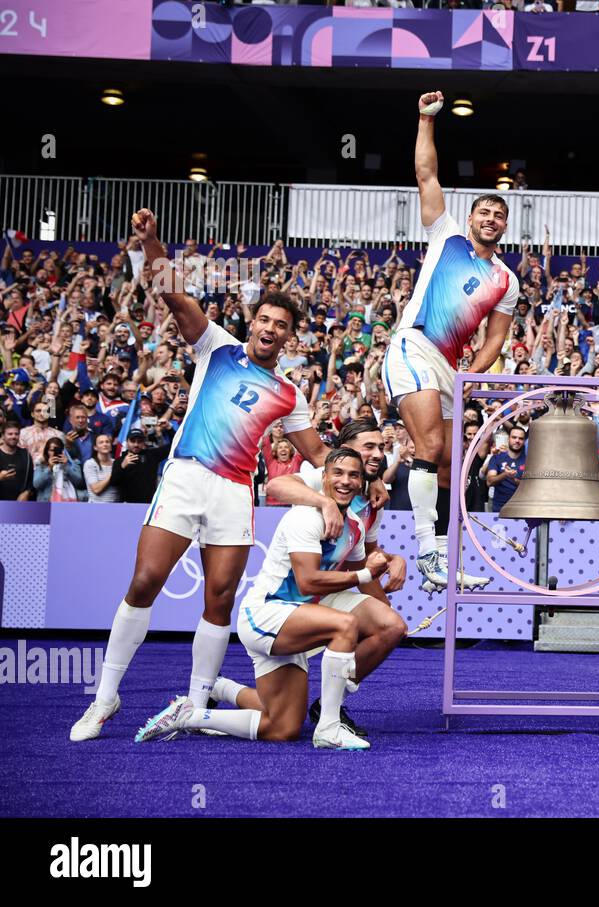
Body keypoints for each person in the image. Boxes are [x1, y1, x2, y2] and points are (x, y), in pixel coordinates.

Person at [70, 209, 330, 743]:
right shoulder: (217, 347)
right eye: (265, 320)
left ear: (289, 337)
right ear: (252, 322)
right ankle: (103, 700)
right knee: (144, 582)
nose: (270, 329)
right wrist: (151, 241)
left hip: (236, 491)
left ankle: (193, 703)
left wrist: (354, 474)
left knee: (219, 598)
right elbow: (175, 296)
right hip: (187, 477)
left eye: (281, 326)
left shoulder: (289, 393)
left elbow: (319, 455)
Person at [134, 449, 392, 750]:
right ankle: (330, 726)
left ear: (362, 482)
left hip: (297, 619)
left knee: (282, 727)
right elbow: (310, 579)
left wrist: (390, 564)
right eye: (338, 473)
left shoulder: (356, 528)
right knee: (345, 626)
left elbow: (362, 572)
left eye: (353, 475)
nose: (345, 481)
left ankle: (195, 712)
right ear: (323, 478)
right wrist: (365, 575)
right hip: (266, 615)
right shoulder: (305, 516)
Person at [383, 90, 518, 596]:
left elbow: (496, 339)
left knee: (444, 463)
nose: (489, 219)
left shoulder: (507, 279)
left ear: (504, 225)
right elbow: (426, 175)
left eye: (497, 215)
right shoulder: (445, 237)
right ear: (472, 218)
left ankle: (439, 549)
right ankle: (426, 553)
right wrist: (424, 119)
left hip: (448, 364)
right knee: (430, 446)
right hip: (412, 347)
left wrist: (470, 376)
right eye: (483, 212)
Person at [264, 417, 408, 737]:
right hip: (291, 593)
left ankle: (330, 706)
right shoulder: (328, 476)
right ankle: (213, 690)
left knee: (391, 627)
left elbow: (368, 556)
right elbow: (274, 486)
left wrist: (395, 561)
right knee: (278, 719)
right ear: (345, 451)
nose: (377, 454)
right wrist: (325, 502)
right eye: (367, 446)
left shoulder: (373, 499)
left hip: (329, 591)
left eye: (380, 447)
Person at [486, 424, 527, 512]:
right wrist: (505, 474)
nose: (517, 441)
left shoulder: (529, 460)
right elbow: (489, 482)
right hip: (499, 509)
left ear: (524, 441)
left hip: (522, 509)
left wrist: (514, 479)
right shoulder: (496, 458)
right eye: (514, 437)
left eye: (520, 438)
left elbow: (530, 487)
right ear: (508, 439)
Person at [33, 436, 85, 502]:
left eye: (57, 450)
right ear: (47, 451)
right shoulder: (41, 464)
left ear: (63, 450)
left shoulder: (73, 462)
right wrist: (49, 468)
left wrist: (66, 466)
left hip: (69, 502)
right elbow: (37, 484)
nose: (54, 453)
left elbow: (78, 481)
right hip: (47, 503)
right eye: (51, 450)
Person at [0, 420, 35, 501]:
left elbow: (31, 479)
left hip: (19, 504)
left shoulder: (25, 454)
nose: (14, 436)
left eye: (16, 434)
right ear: (2, 436)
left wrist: (27, 492)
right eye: (10, 434)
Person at [83, 433, 120, 503]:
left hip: (116, 507)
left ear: (111, 446)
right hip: (96, 507)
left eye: (107, 442)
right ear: (95, 447)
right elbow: (96, 489)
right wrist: (114, 473)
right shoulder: (90, 464)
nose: (105, 444)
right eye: (101, 442)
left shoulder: (117, 463)